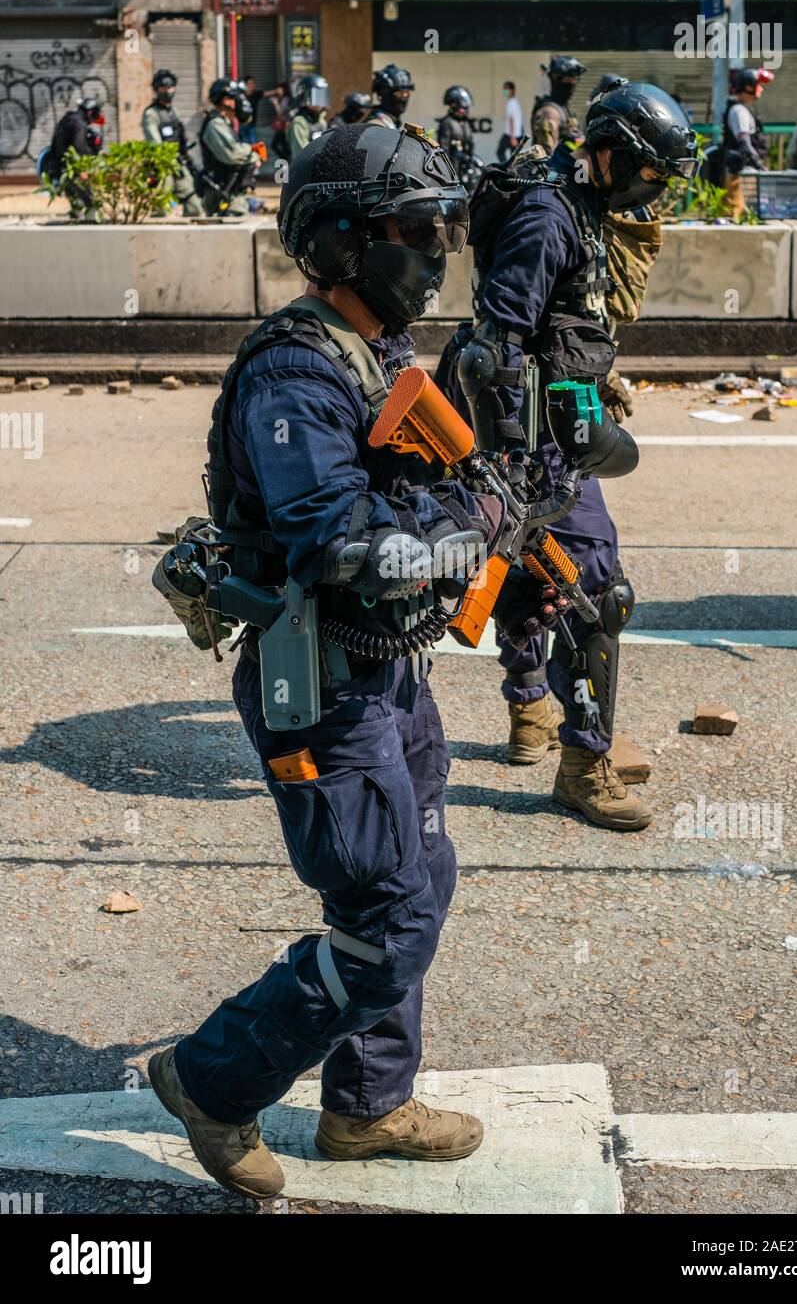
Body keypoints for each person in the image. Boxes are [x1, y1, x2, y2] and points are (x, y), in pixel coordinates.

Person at [147, 122, 558, 1196]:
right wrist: (473, 523)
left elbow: (405, 500)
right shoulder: (294, 370)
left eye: (444, 233)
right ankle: (211, 1077)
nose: (436, 254)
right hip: (315, 680)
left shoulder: (369, 351)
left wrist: (492, 515)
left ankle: (367, 1105)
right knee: (385, 918)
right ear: (340, 241)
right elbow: (338, 541)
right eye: (417, 232)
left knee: (420, 879)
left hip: (384, 667)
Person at [435, 82, 698, 830]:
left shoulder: (582, 204)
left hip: (549, 419)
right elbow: (495, 348)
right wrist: (512, 467)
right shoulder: (550, 216)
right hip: (531, 433)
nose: (654, 190)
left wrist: (592, 376)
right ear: (608, 153)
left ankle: (529, 715)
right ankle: (584, 766)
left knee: (529, 572)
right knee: (596, 589)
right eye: (648, 173)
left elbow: (559, 320)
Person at [141, 69, 204, 218]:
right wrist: (166, 161)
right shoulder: (151, 114)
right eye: (163, 87)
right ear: (157, 89)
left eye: (170, 87)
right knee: (162, 207)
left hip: (178, 163)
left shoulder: (173, 111)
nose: (168, 91)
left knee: (194, 203)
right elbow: (155, 143)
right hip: (162, 166)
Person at [199, 78, 261, 216]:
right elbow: (231, 154)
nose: (240, 101)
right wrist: (253, 153)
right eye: (235, 98)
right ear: (226, 100)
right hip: (224, 192)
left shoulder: (225, 123)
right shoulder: (215, 124)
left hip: (232, 192)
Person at [720, 66, 774, 220]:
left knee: (742, 213)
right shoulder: (738, 111)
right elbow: (744, 142)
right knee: (734, 213)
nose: (760, 90)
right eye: (758, 85)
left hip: (741, 170)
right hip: (737, 171)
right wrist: (759, 165)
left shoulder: (741, 109)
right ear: (748, 87)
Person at [42, 96, 104, 217]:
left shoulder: (67, 119)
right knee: (90, 200)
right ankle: (91, 224)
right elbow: (78, 146)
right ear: (90, 112)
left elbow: (55, 143)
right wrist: (83, 168)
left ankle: (78, 221)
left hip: (62, 168)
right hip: (74, 168)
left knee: (75, 200)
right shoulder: (79, 123)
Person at [531, 55, 586, 154]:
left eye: (575, 79)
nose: (573, 83)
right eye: (568, 79)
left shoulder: (562, 108)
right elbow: (547, 154)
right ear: (556, 80)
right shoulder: (548, 112)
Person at [437, 85, 479, 190]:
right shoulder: (447, 123)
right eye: (462, 108)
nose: (464, 111)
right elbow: (444, 150)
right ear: (453, 105)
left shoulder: (465, 123)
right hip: (453, 170)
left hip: (466, 169)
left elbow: (470, 144)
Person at [286, 74, 330, 163]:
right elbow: (302, 155)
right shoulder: (299, 122)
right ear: (304, 97)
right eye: (316, 97)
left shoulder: (321, 121)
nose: (319, 102)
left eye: (321, 96)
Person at [368, 64, 414, 129]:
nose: (404, 97)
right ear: (384, 93)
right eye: (399, 93)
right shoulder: (377, 124)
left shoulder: (393, 120)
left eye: (407, 92)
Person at [496, 80, 523, 163]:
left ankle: (505, 169)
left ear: (512, 90)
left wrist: (512, 137)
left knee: (500, 152)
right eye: (504, 88)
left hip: (510, 135)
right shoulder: (514, 102)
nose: (504, 91)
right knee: (514, 157)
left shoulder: (512, 103)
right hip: (516, 135)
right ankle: (511, 171)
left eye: (506, 89)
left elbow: (512, 120)